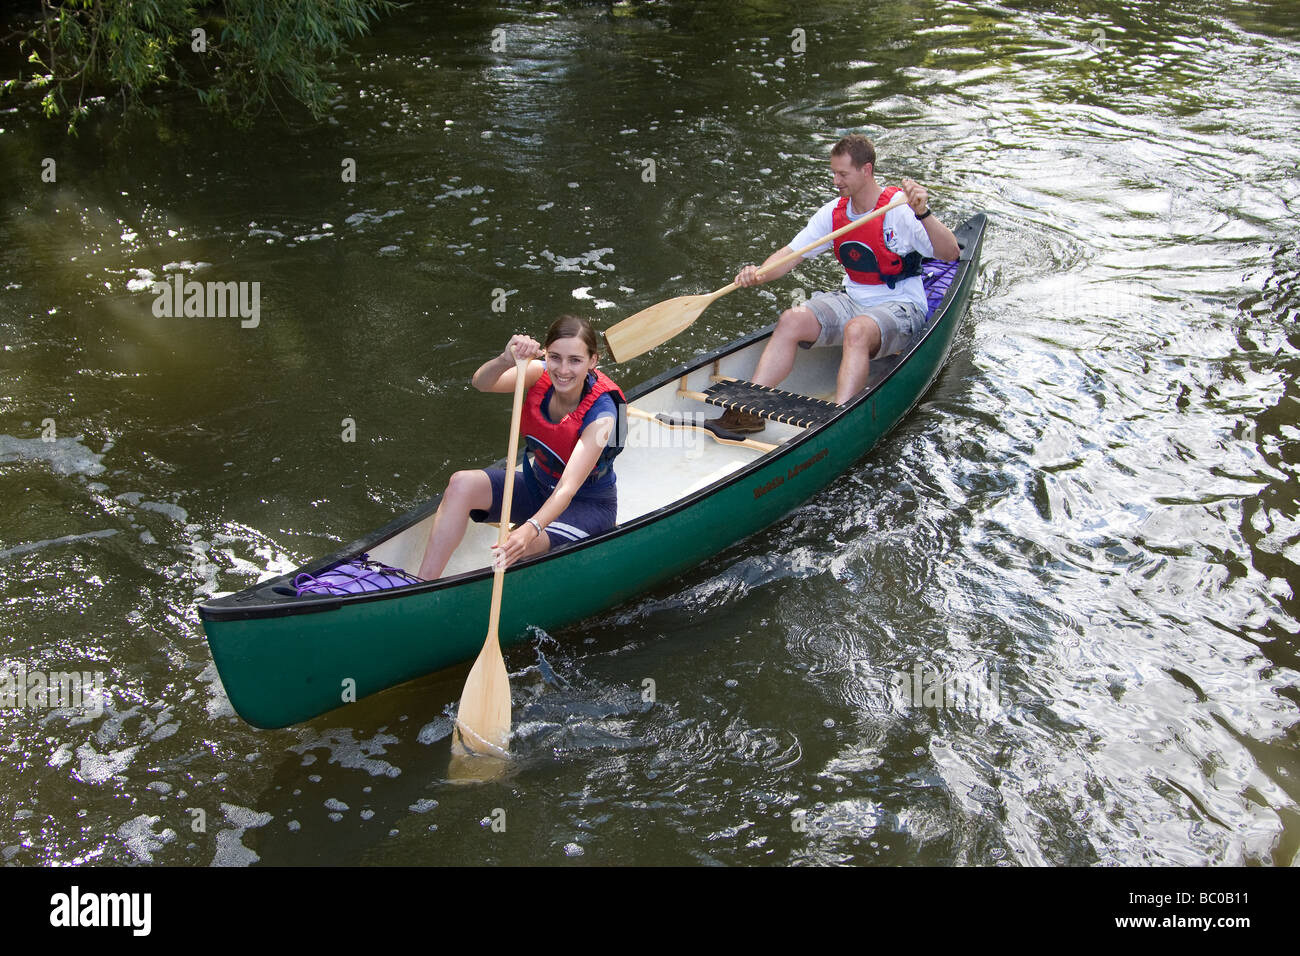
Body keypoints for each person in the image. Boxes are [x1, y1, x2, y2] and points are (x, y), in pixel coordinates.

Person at [709, 134, 961, 433]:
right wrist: (760, 273)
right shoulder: (834, 213)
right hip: (853, 300)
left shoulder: (899, 209)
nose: (835, 181)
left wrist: (923, 212)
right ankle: (749, 411)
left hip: (902, 304)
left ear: (866, 170)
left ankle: (838, 421)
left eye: (842, 174)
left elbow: (951, 252)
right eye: (833, 173)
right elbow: (791, 254)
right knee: (791, 320)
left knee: (857, 330)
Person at [417, 315, 625, 581]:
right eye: (555, 357)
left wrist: (531, 528)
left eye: (575, 360)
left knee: (523, 545)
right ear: (546, 355)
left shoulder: (603, 416)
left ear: (592, 361)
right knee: (461, 484)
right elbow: (481, 383)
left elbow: (567, 488)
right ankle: (423, 584)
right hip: (537, 487)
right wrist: (505, 359)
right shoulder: (538, 373)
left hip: (586, 505)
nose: (563, 370)